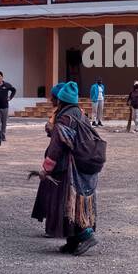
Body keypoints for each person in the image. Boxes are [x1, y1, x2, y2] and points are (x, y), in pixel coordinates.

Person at [31, 81, 99, 255]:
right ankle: (72, 242)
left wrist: (46, 168)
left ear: (61, 100)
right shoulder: (79, 114)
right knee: (74, 202)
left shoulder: (65, 117)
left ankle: (86, 235)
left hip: (67, 168)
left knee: (66, 202)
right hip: (82, 167)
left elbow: (57, 146)